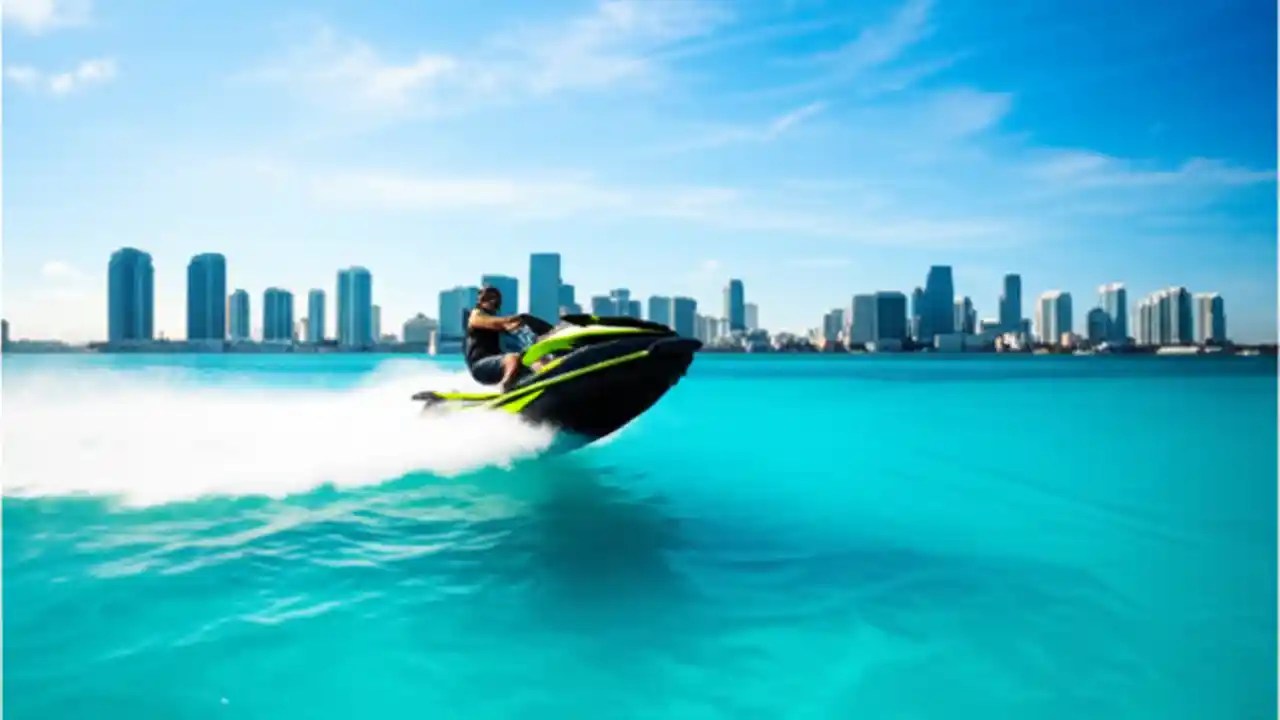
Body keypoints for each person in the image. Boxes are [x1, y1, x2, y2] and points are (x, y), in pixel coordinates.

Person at [466, 286, 528, 390]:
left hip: (498, 364)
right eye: (488, 298)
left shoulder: (498, 322)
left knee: (528, 359)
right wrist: (509, 320)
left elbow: (506, 326)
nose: (492, 301)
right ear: (480, 301)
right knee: (512, 358)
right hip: (480, 366)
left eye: (495, 298)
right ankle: (506, 387)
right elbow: (486, 322)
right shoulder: (476, 314)